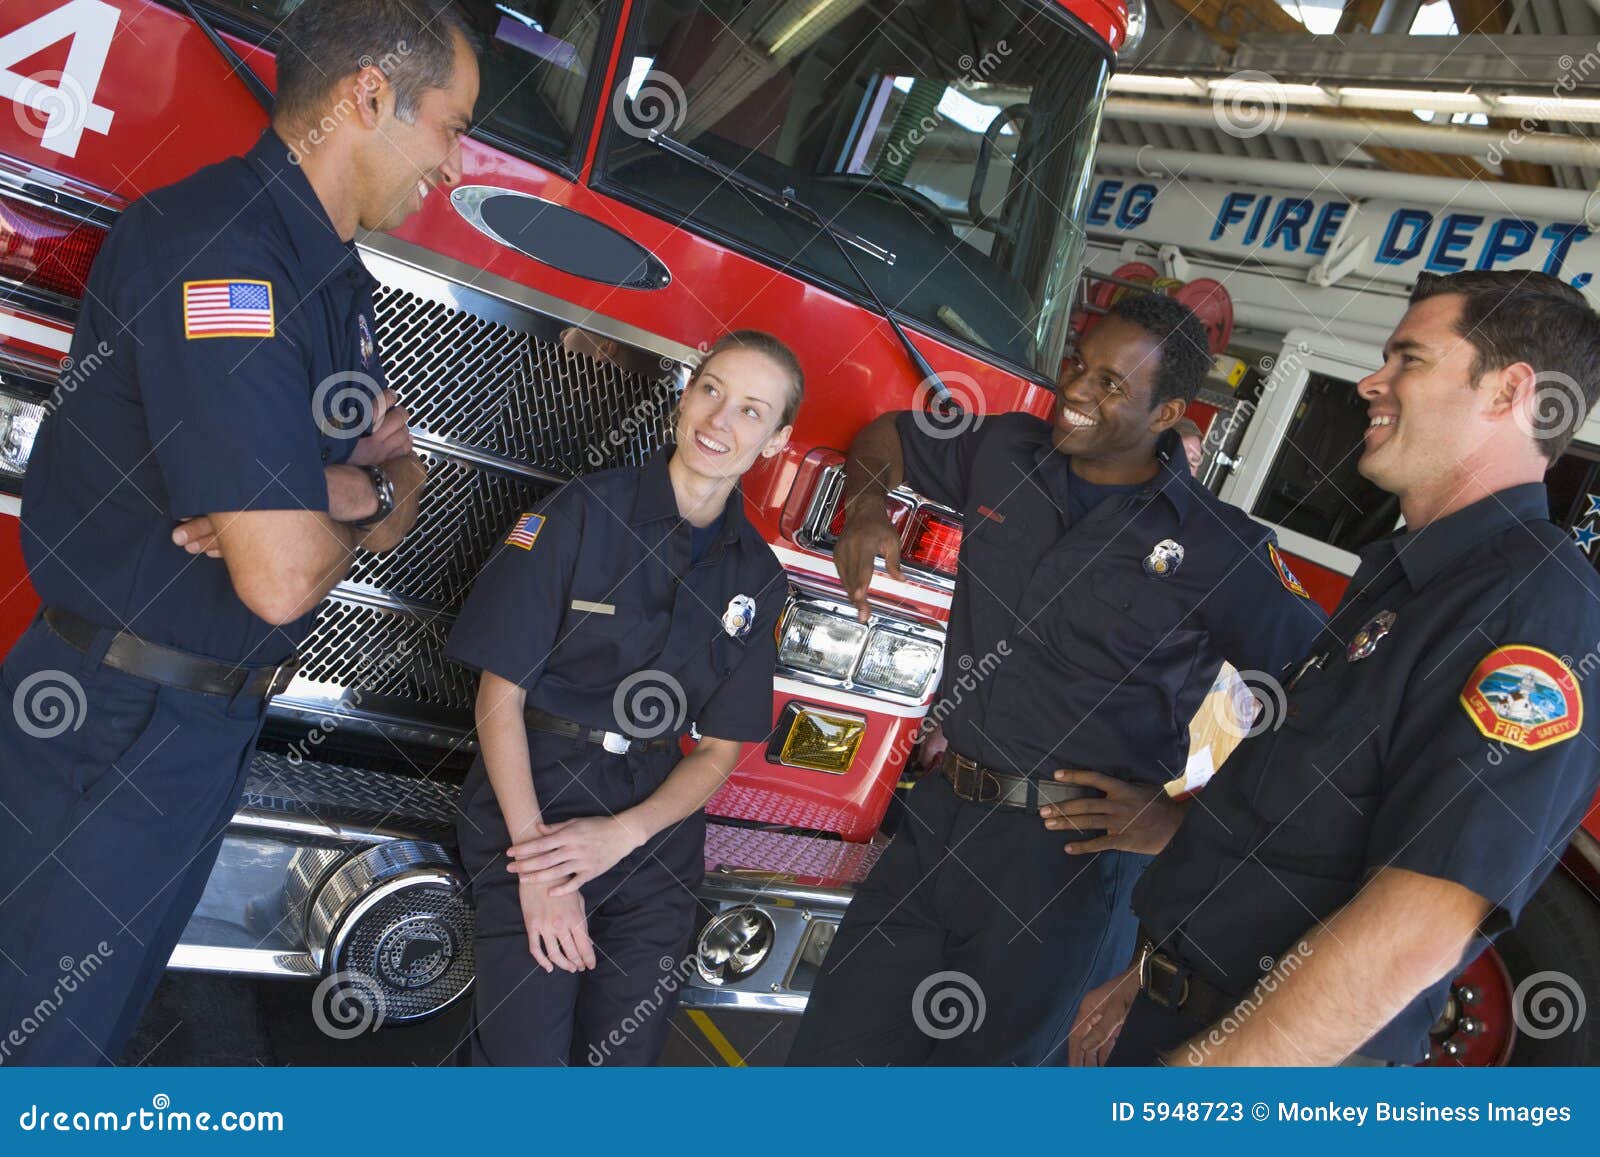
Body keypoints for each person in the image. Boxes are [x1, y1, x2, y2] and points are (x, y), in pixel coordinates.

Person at [0, 0, 478, 1065]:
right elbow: (282, 575)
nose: (456, 162)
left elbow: (402, 499)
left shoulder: (334, 285)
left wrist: (340, 491)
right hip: (114, 728)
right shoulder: (224, 256)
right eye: (451, 124)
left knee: (94, 1037)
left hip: (198, 733)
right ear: (367, 96)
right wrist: (350, 492)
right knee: (39, 1049)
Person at [1070, 270, 1600, 1067]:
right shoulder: (1406, 576)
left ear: (1510, 391)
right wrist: (1147, 976)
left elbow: (1417, 925)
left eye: (1408, 360)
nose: (1370, 382)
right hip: (1179, 1009)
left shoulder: (1534, 614)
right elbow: (1322, 819)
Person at [787, 294, 1327, 1065]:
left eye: (1112, 384)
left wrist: (1188, 825)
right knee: (828, 1059)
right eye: (1078, 363)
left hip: (1063, 873)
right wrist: (869, 501)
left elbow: (1322, 704)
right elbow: (888, 436)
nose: (1075, 389)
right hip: (937, 826)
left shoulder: (1219, 549)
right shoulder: (1006, 450)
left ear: (1168, 411)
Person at [444, 331, 801, 1065]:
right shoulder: (579, 513)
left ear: (775, 440)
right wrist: (541, 873)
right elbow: (498, 697)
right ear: (684, 391)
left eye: (750, 411)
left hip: (655, 833)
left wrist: (626, 834)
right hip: (537, 800)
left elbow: (720, 748)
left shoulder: (759, 577)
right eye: (711, 390)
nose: (719, 421)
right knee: (525, 1070)